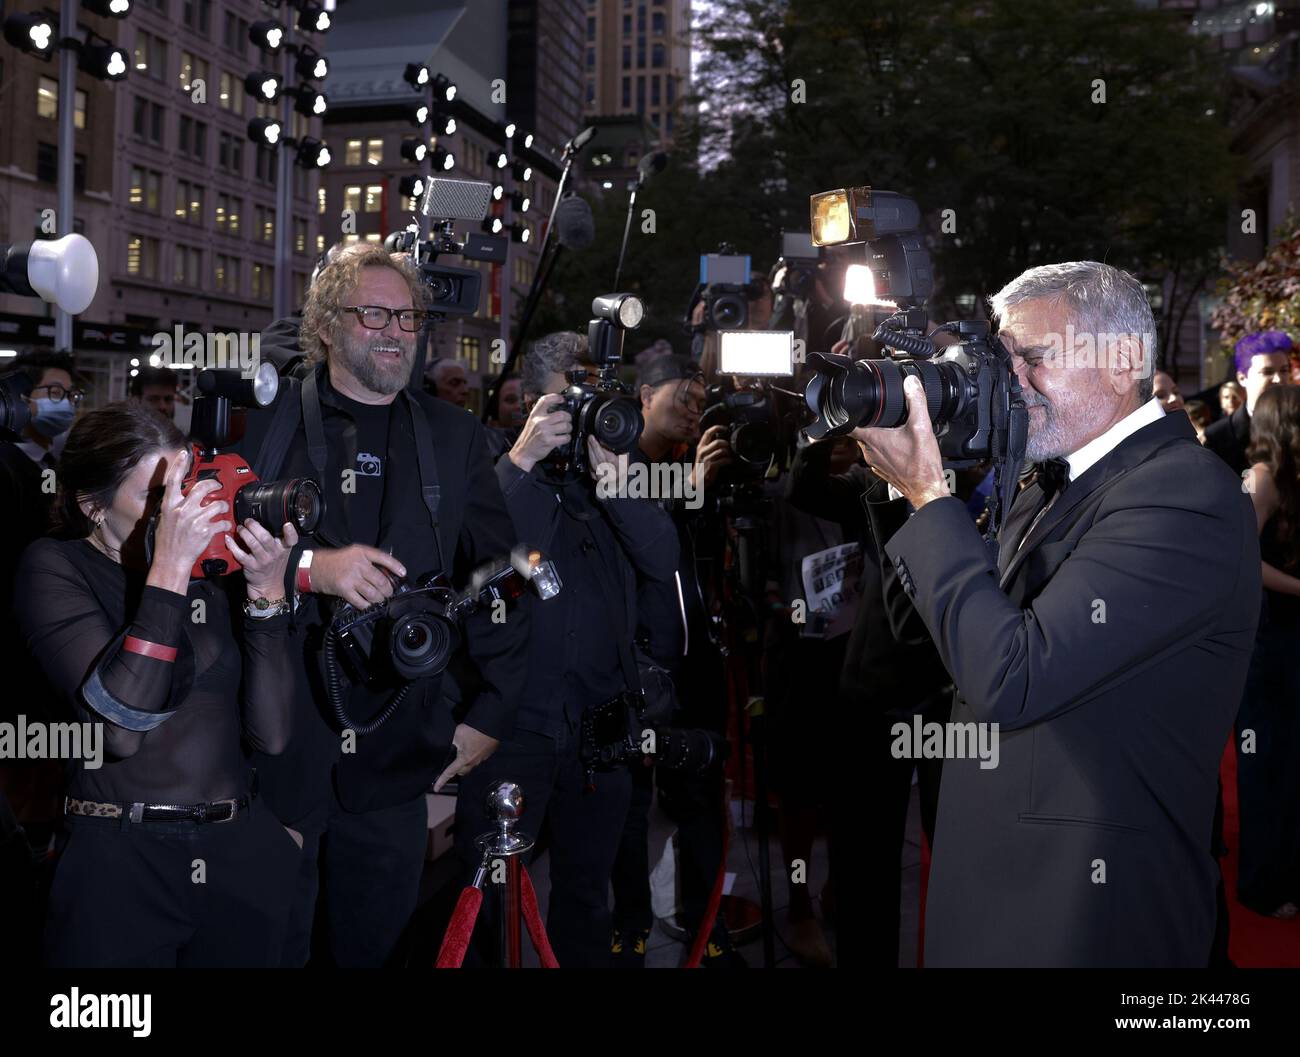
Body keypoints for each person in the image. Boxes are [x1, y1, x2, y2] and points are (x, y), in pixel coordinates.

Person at [852, 261, 1260, 966]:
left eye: (1034, 359)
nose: (1010, 382)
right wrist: (904, 491)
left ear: (1125, 358)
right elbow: (929, 637)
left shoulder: (1183, 495)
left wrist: (928, 496)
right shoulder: (1049, 480)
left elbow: (1012, 676)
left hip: (1088, 914)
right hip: (1002, 890)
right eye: (1003, 360)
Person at [235, 244, 529, 968]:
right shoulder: (264, 421)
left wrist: (489, 716)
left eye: (407, 316)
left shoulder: (456, 436)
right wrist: (312, 569)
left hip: (396, 759)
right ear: (328, 326)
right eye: (373, 313)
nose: (395, 330)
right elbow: (211, 546)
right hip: (274, 757)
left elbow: (502, 577)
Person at [15, 402, 301, 966]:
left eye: (183, 490)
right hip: (118, 864)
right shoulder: (54, 567)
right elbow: (120, 731)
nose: (178, 513)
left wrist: (267, 592)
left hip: (238, 852)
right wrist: (167, 569)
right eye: (153, 498)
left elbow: (272, 736)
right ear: (91, 504)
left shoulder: (209, 571)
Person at [455, 331, 679, 967]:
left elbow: (662, 561)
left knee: (585, 895)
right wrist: (523, 462)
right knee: (489, 895)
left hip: (599, 729)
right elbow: (482, 555)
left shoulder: (618, 470)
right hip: (512, 727)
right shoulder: (496, 468)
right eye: (567, 404)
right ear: (530, 404)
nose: (583, 417)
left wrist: (619, 491)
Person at [611, 354, 742, 967]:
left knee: (700, 802)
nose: (694, 408)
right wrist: (689, 489)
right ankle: (629, 925)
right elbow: (645, 543)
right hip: (633, 668)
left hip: (696, 667)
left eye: (701, 399)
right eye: (682, 397)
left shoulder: (698, 470)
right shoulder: (617, 461)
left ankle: (704, 922)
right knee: (631, 803)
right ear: (642, 394)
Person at [1235, 385, 1300, 919]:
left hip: (1290, 638)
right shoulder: (1260, 478)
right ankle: (1261, 884)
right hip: (1269, 640)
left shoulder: (1290, 477)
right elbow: (1239, 560)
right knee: (1267, 767)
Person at [1204, 331, 1292, 476]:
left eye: (1284, 370)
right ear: (1242, 378)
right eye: (1267, 372)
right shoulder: (1219, 437)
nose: (1278, 379)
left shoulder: (1295, 424)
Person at [4, 352, 82, 471]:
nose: (67, 403)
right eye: (55, 392)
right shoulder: (6, 466)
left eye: (70, 394)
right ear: (21, 396)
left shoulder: (53, 460)